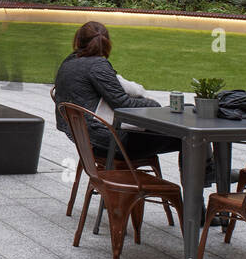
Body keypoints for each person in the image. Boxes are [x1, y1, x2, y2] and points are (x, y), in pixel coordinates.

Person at [53, 20, 182, 163]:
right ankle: (202, 178)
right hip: (109, 141)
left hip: (84, 138)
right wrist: (154, 105)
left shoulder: (68, 62)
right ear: (107, 43)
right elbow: (122, 103)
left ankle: (206, 173)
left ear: (78, 40)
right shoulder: (97, 65)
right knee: (188, 138)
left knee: (182, 122)